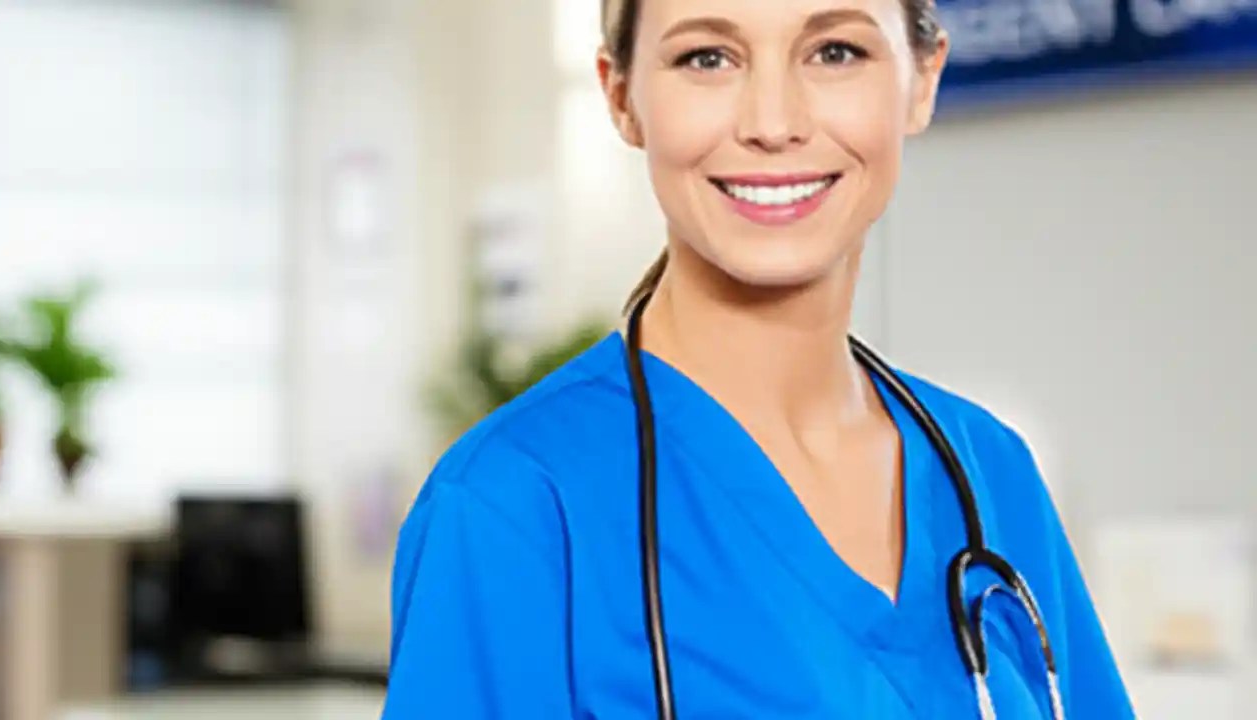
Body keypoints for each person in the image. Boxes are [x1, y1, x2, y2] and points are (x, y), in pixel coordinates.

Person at [381, 0, 1134, 717]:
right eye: (707, 57)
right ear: (621, 97)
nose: (773, 123)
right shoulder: (513, 505)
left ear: (923, 78)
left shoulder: (988, 472)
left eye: (835, 51)